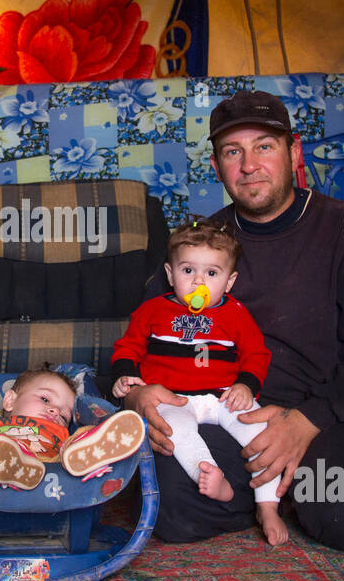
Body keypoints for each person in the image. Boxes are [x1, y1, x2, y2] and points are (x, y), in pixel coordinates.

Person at [123, 90, 344, 553]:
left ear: (293, 152)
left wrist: (304, 423)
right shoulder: (206, 244)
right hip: (229, 414)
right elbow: (148, 326)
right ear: (218, 165)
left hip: (328, 416)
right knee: (166, 504)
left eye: (264, 146)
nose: (249, 165)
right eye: (232, 152)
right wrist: (139, 391)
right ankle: (278, 494)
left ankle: (289, 490)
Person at [109, 220, 286, 545]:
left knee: (261, 434)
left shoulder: (236, 313)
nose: (198, 281)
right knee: (176, 434)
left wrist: (246, 385)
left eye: (212, 274)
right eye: (188, 270)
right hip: (173, 398)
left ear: (229, 281)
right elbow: (129, 346)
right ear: (170, 273)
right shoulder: (152, 310)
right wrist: (126, 375)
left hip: (222, 396)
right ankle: (211, 476)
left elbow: (256, 354)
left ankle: (268, 505)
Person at [0, 367, 146, 488]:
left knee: (75, 441)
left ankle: (94, 448)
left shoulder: (60, 433)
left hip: (52, 460)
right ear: (10, 401)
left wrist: (75, 440)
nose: (55, 410)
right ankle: (10, 463)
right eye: (45, 399)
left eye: (64, 415)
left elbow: (67, 437)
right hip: (3, 457)